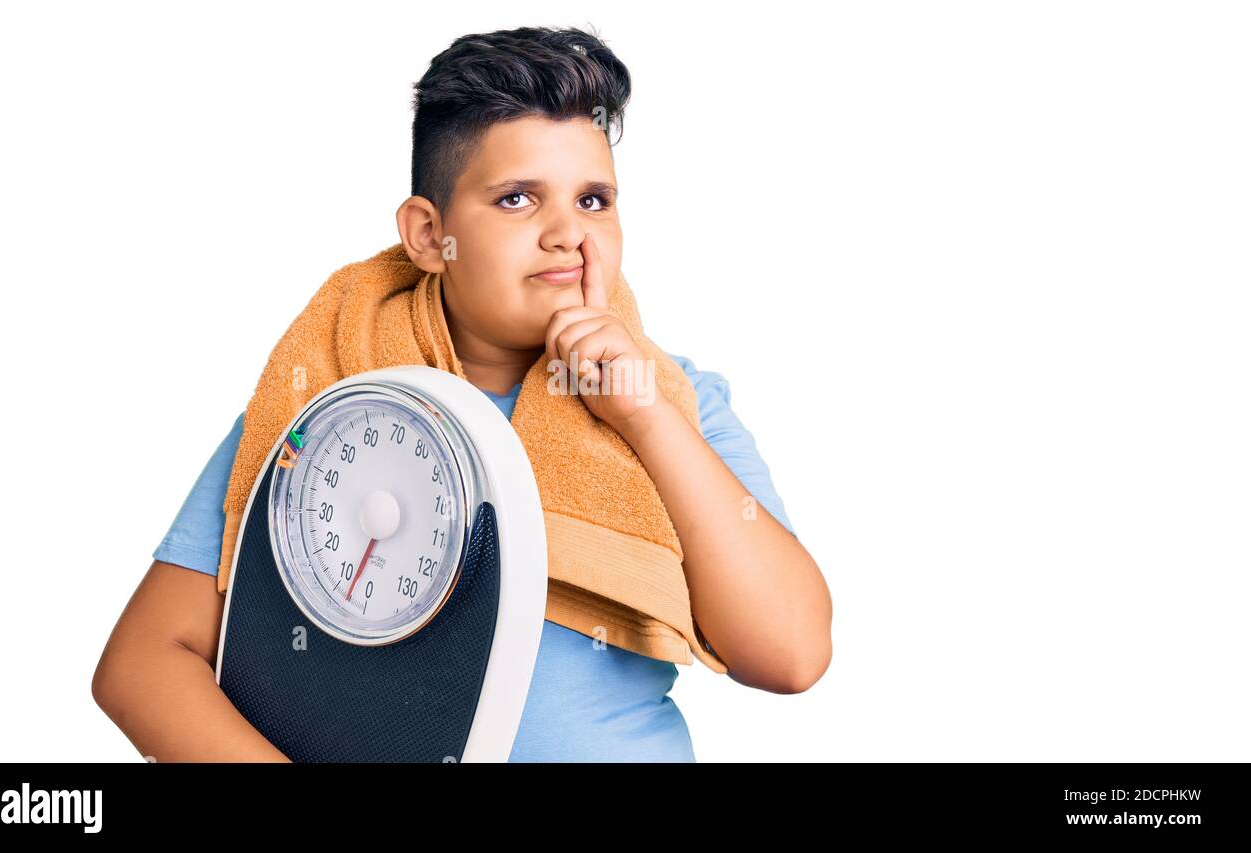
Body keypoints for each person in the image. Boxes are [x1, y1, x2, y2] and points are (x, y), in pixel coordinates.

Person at [92, 25, 832, 762]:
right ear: (426, 234)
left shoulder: (678, 402)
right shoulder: (328, 406)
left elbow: (791, 654)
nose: (568, 235)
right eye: (516, 199)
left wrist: (644, 419)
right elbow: (143, 662)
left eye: (594, 200)